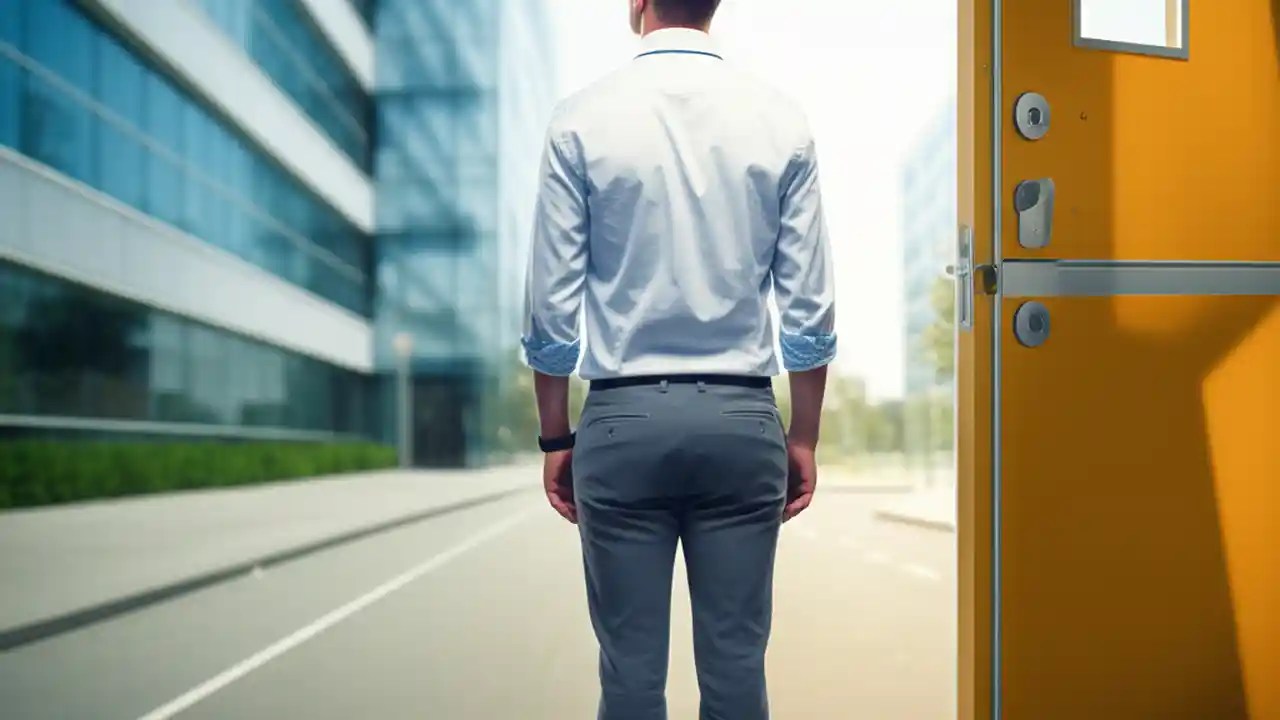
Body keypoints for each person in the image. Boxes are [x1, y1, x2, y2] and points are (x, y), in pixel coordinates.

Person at [520, 0, 836, 717]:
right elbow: (809, 308)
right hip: (741, 421)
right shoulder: (780, 120)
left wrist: (556, 435)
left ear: (638, 1)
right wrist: (804, 434)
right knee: (735, 669)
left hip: (621, 425)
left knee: (628, 675)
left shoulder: (580, 120)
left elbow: (551, 308)